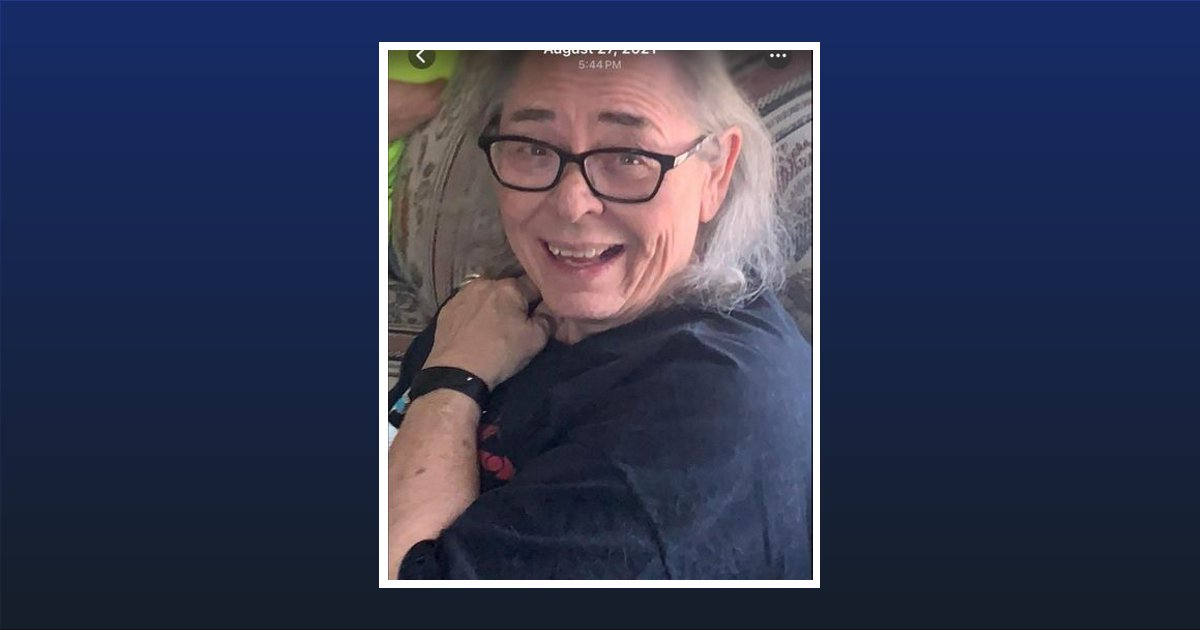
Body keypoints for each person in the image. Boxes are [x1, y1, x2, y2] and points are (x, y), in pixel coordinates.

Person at [387, 51, 812, 579]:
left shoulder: (709, 413)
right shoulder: (503, 303)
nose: (570, 204)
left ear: (716, 175)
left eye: (629, 156)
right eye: (532, 147)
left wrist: (453, 380)